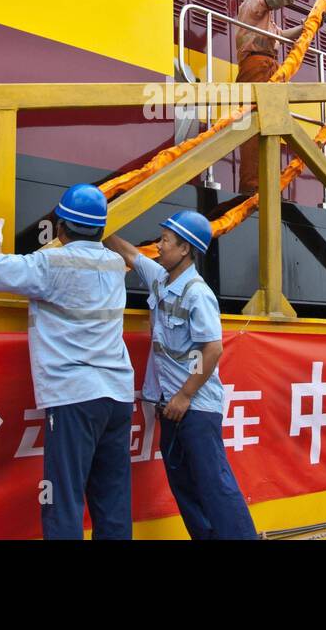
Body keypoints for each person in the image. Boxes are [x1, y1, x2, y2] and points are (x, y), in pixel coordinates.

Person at [0, 184, 134, 539]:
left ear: (61, 226)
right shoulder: (114, 264)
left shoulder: (51, 262)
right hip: (118, 396)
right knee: (112, 499)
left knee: (61, 499)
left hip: (74, 398)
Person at [104, 211, 258, 539]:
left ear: (185, 249)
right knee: (185, 486)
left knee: (214, 485)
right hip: (170, 407)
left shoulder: (197, 294)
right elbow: (130, 253)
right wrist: (102, 223)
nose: (158, 246)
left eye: (165, 241)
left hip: (196, 409)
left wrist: (186, 394)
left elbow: (212, 350)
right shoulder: (161, 279)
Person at [234, 0, 326, 192]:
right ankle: (254, 186)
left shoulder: (258, 15)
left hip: (265, 67)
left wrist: (307, 25)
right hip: (258, 68)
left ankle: (265, 183)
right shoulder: (254, 4)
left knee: (269, 127)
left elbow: (280, 36)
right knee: (256, 128)